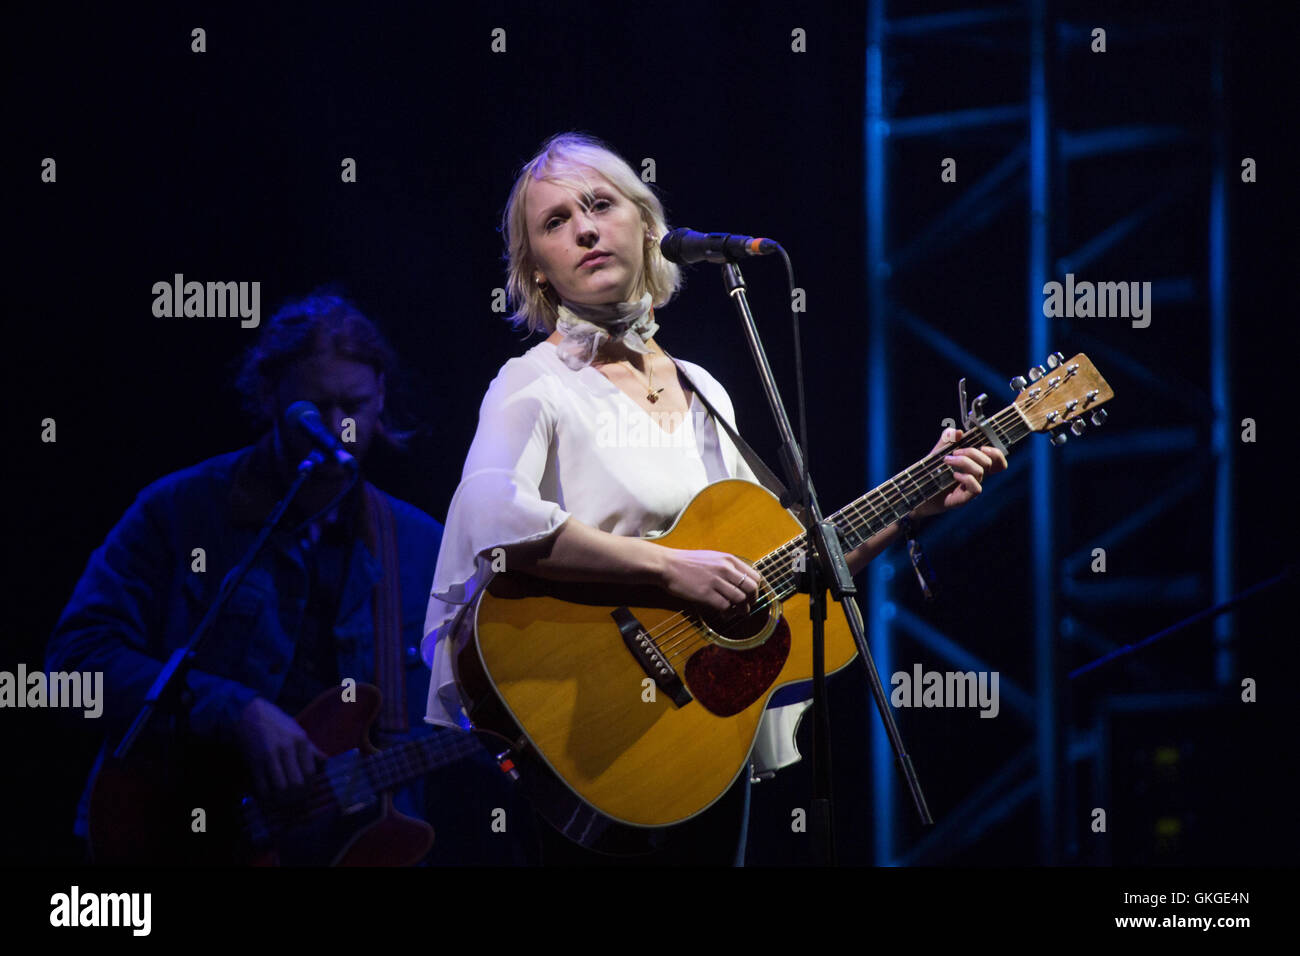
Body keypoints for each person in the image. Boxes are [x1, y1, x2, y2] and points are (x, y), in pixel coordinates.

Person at [422, 133, 1007, 865]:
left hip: (702, 728)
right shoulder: (532, 385)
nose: (586, 228)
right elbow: (490, 519)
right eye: (556, 222)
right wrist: (670, 572)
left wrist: (910, 507)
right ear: (537, 269)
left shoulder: (705, 387)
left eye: (602, 204)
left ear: (646, 227)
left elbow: (783, 575)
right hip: (592, 724)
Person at [46, 292, 524, 866]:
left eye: (354, 405)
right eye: (313, 408)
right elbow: (75, 661)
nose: (336, 428)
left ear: (380, 403)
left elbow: (461, 714)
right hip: (179, 830)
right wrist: (234, 710)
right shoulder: (179, 511)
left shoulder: (421, 545)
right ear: (270, 395)